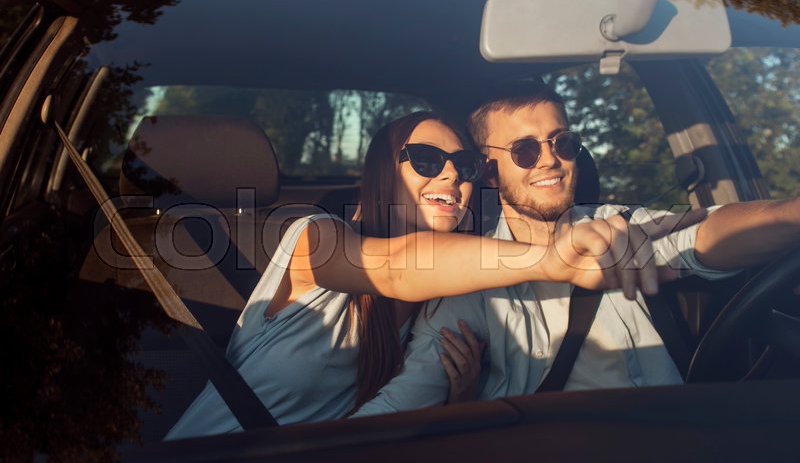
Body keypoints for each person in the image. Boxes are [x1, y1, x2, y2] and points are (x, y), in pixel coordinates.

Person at [165, 111, 692, 438]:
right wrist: (549, 258)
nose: (449, 175)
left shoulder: (445, 302)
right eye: (424, 158)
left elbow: (394, 419)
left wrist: (460, 401)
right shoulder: (314, 238)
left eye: (463, 166)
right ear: (379, 174)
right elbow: (395, 269)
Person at [352, 83, 800, 416]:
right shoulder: (472, 273)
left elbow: (711, 230)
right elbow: (411, 394)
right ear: (488, 173)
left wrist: (794, 213)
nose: (550, 160)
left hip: (682, 435)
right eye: (525, 150)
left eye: (561, 143)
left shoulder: (622, 225)